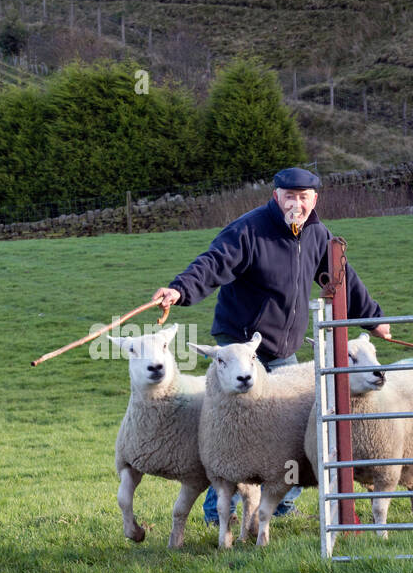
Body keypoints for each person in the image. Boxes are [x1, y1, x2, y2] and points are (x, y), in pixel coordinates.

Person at [151, 166, 392, 523]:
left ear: (315, 199)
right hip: (240, 343)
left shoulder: (317, 234)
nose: (296, 203)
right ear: (276, 196)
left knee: (297, 426)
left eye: (303, 197)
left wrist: (373, 318)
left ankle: (277, 504)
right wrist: (180, 289)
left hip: (283, 347)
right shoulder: (249, 230)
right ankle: (221, 511)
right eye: (289, 196)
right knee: (233, 427)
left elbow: (344, 280)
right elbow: (213, 263)